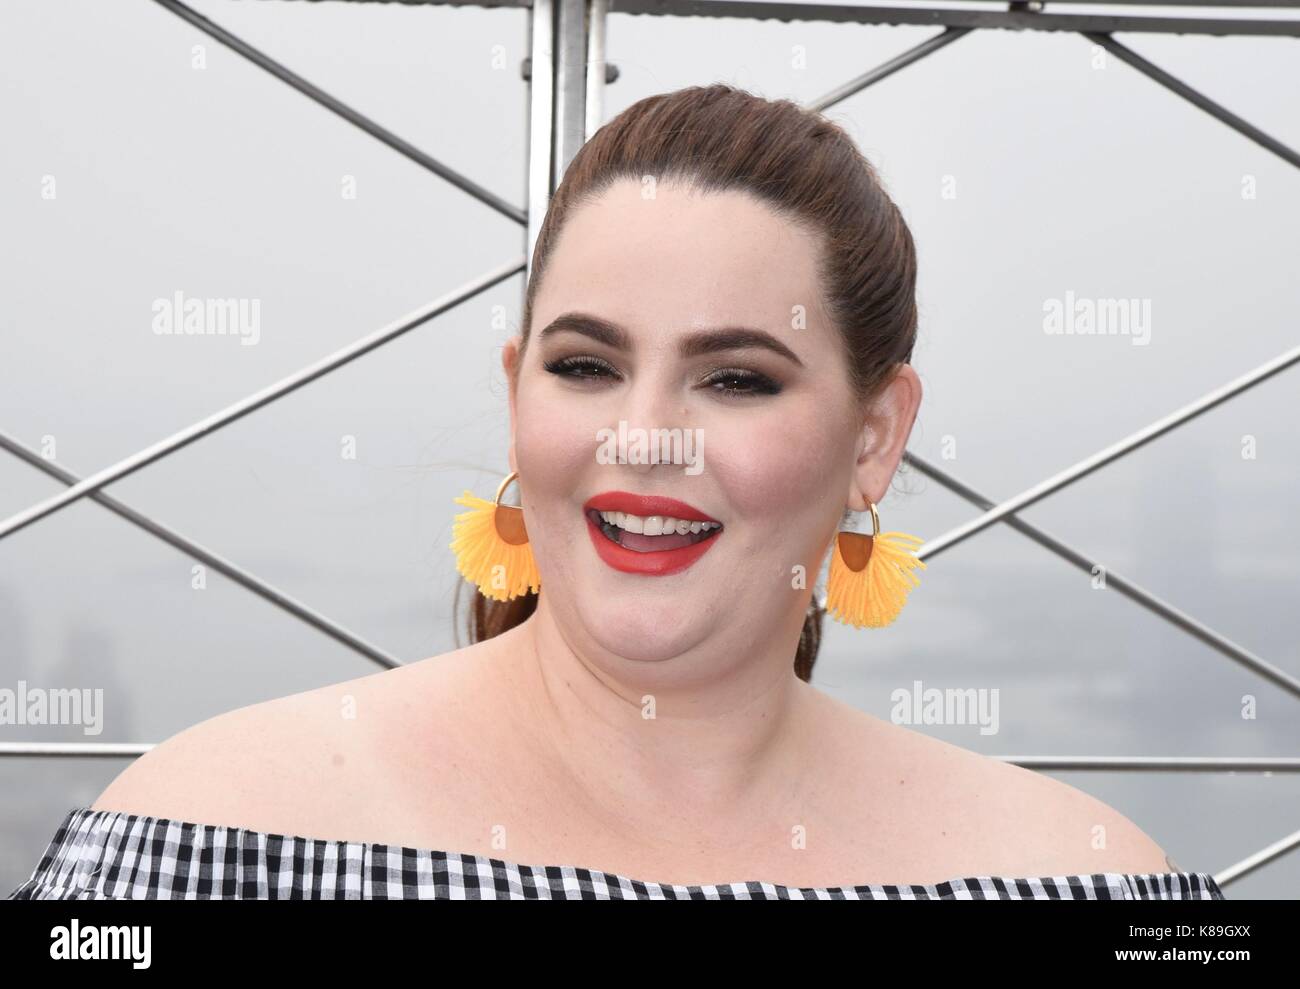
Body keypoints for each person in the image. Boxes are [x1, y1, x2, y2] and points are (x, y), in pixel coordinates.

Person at [9, 83, 1222, 900]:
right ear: (514, 395)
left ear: (875, 436)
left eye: (736, 377)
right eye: (586, 365)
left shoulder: (1097, 882)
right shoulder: (203, 845)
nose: (645, 439)